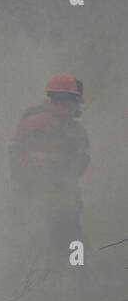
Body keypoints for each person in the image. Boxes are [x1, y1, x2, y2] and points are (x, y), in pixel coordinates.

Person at [9, 73, 90, 273]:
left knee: (27, 244)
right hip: (62, 200)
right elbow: (82, 163)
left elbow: (14, 157)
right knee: (75, 245)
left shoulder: (28, 121)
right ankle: (80, 282)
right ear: (70, 101)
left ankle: (24, 282)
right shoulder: (75, 129)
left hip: (28, 197)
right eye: (75, 101)